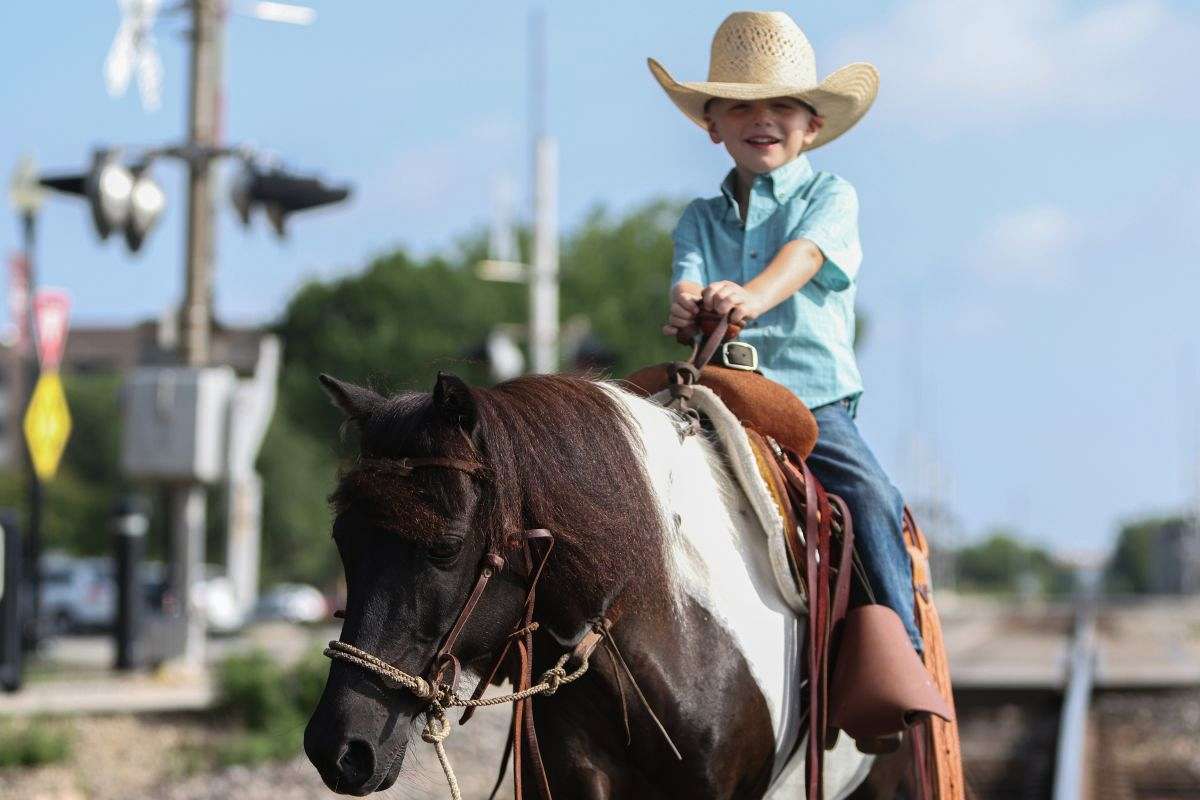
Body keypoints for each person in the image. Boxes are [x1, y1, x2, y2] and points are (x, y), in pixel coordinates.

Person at [650, 10, 922, 653]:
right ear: (713, 126)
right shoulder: (699, 217)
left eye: (781, 106)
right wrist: (688, 303)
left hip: (810, 400)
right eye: (740, 107)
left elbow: (804, 257)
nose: (762, 120)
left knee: (871, 496)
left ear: (812, 125)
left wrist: (748, 296)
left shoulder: (831, 195)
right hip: (721, 394)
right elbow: (686, 278)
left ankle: (901, 650)